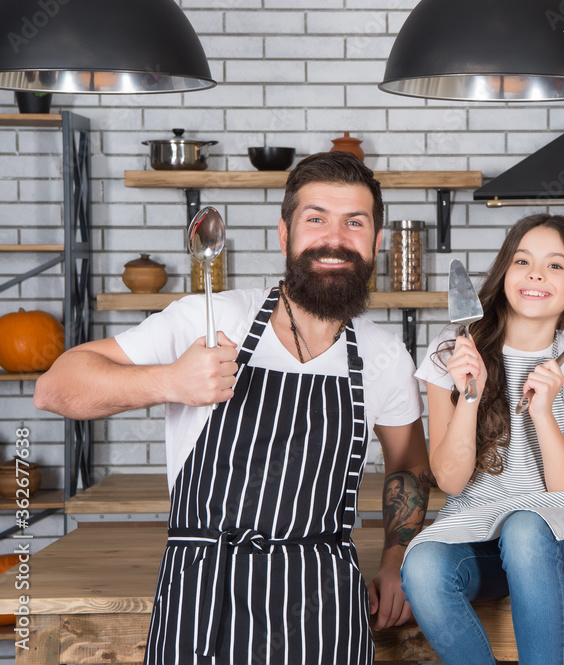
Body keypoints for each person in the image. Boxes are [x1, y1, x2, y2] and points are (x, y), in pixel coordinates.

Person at [33, 152, 431, 665]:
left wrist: (398, 556)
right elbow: (55, 387)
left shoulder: (383, 354)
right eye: (316, 219)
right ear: (284, 235)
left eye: (354, 222)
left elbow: (408, 465)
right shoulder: (212, 316)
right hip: (204, 593)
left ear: (375, 242)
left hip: (323, 602)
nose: (335, 238)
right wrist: (169, 381)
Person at [400, 213, 564, 665]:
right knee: (421, 567)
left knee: (523, 526)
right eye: (523, 260)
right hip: (478, 530)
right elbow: (452, 480)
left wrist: (542, 412)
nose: (536, 273)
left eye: (556, 265)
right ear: (504, 274)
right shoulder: (453, 350)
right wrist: (470, 395)